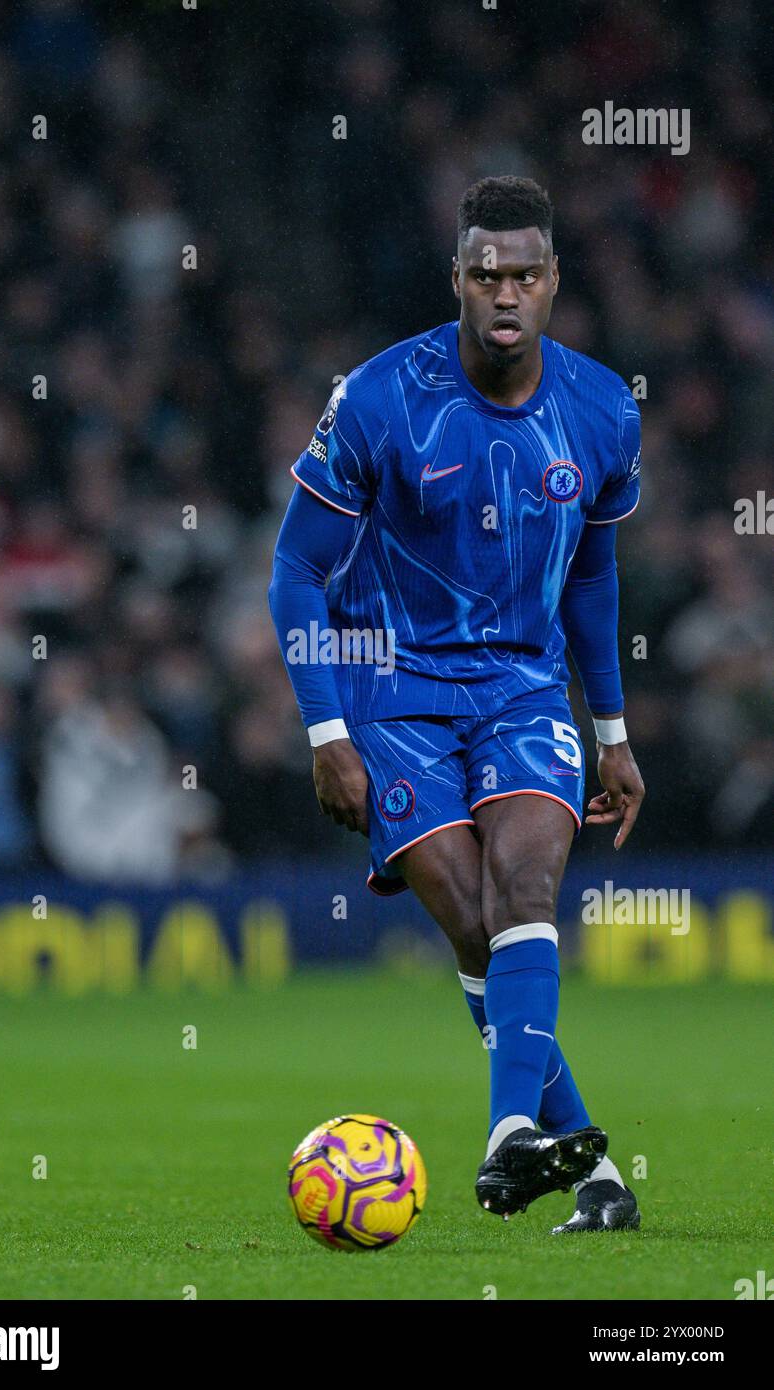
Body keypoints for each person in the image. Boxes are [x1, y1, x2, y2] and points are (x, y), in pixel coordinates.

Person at [268, 175, 644, 1232]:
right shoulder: (380, 396)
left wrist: (609, 730)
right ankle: (595, 1175)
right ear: (457, 280)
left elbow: (591, 575)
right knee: (478, 930)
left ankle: (504, 1137)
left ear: (553, 279)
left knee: (524, 890)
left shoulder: (604, 409)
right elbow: (295, 572)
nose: (504, 292)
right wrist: (326, 729)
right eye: (484, 274)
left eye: (523, 272)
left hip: (523, 689)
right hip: (391, 697)